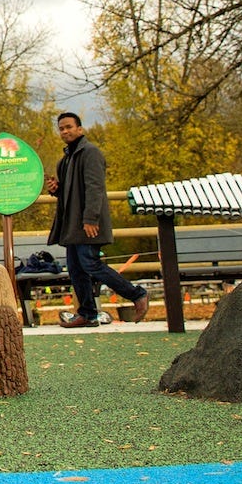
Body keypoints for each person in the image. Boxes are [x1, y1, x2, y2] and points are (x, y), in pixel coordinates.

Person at [47, 111, 149, 328]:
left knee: (91, 264)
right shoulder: (65, 160)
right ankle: (87, 313)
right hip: (72, 225)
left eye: (69, 127)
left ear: (80, 129)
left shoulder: (91, 153)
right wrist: (56, 190)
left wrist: (91, 218)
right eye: (61, 128)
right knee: (75, 269)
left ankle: (137, 295)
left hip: (87, 223)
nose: (65, 131)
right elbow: (70, 192)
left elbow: (95, 188)